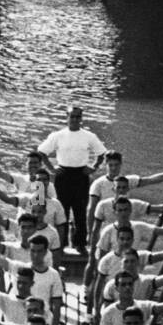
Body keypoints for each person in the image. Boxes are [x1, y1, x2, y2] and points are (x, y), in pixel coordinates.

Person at [37, 104, 105, 254]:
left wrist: (93, 167)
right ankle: (61, 244)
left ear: (81, 119)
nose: (74, 119)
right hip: (63, 175)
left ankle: (79, 244)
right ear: (66, 117)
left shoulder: (89, 136)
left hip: (81, 175)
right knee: (62, 211)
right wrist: (51, 169)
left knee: (80, 211)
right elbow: (41, 152)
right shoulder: (58, 135)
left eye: (78, 117)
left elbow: (102, 153)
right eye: (72, 116)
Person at [0, 233, 63, 325]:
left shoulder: (53, 275)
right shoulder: (18, 267)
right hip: (18, 320)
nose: (35, 255)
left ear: (45, 252)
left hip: (42, 323)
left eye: (39, 251)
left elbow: (57, 305)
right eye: (33, 251)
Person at [96, 198, 163, 256]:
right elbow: (101, 256)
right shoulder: (108, 231)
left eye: (125, 210)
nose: (123, 213)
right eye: (120, 210)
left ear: (130, 211)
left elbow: (162, 231)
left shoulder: (138, 227)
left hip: (130, 265)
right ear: (115, 212)